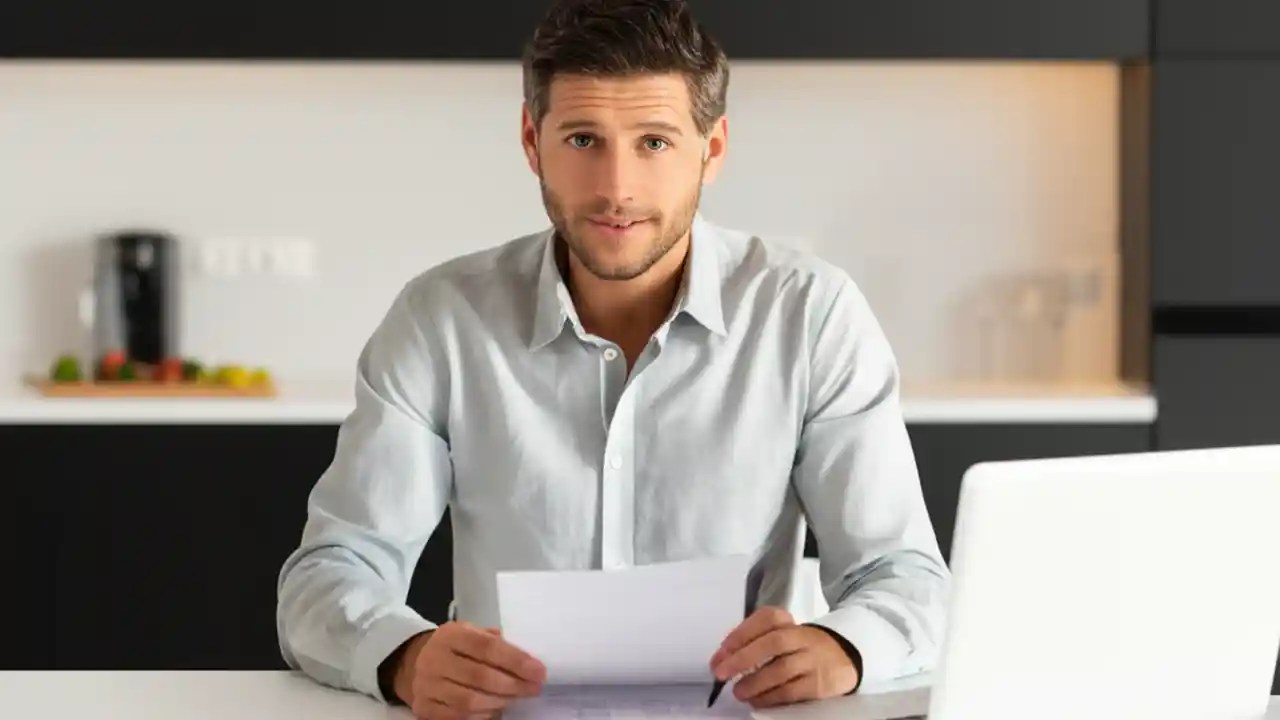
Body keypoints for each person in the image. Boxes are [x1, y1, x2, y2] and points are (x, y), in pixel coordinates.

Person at [276, 0, 950, 716]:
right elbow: (331, 573)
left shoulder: (811, 313)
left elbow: (903, 577)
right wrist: (404, 657)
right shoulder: (442, 318)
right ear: (533, 142)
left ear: (711, 150)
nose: (616, 187)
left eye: (654, 142)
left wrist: (844, 648)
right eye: (583, 139)